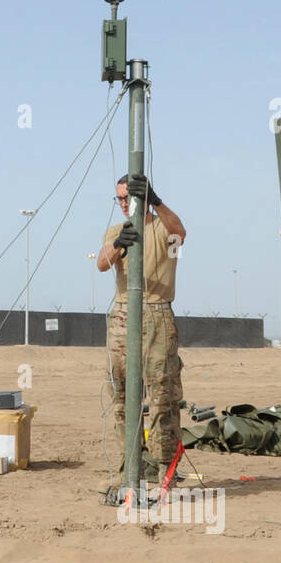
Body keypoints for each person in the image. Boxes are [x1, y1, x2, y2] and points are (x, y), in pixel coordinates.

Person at [95, 174, 186, 493]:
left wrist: (157, 201)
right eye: (118, 199)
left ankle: (166, 467)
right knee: (121, 392)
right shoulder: (117, 231)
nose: (123, 204)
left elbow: (180, 233)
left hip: (157, 313)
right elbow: (102, 264)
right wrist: (121, 244)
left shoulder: (162, 226)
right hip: (123, 314)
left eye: (128, 198)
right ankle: (132, 464)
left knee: (162, 394)